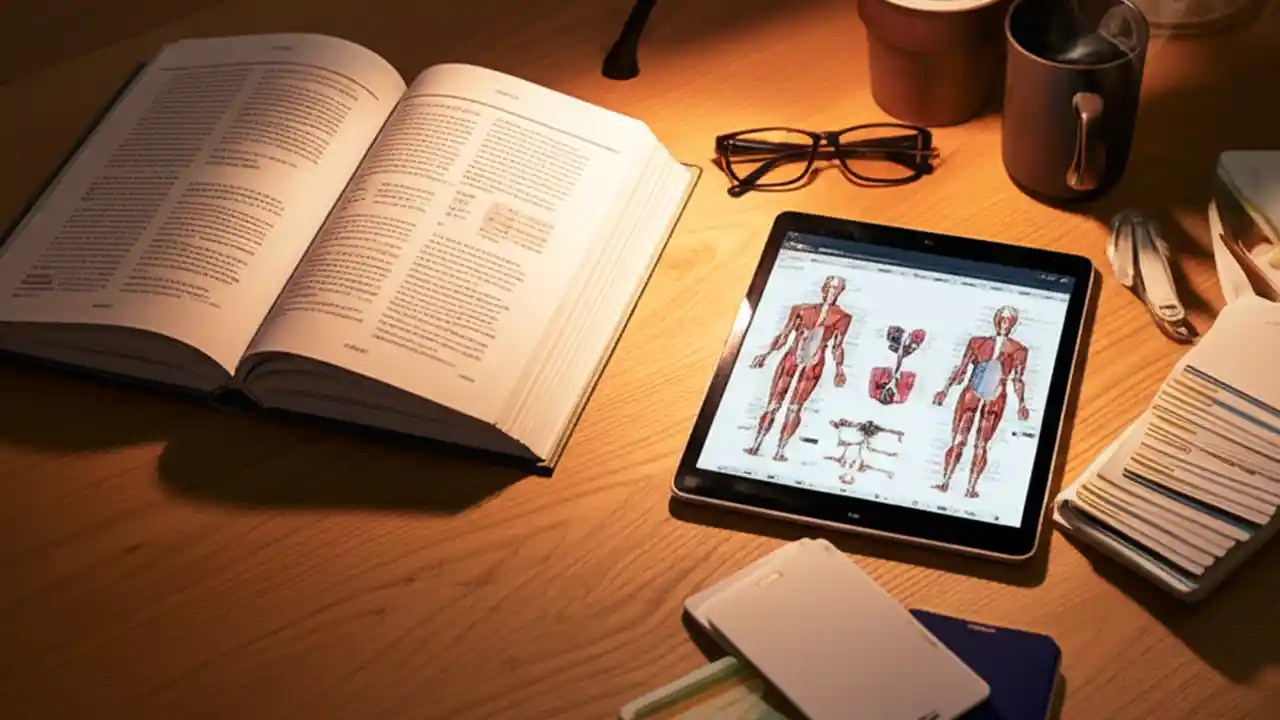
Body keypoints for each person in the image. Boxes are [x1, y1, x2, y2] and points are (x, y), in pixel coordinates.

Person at [745, 275, 851, 461]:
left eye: (837, 289)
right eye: (830, 287)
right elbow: (784, 334)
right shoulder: (801, 309)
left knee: (794, 408)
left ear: (841, 292)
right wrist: (766, 354)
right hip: (791, 357)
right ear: (823, 288)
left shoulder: (842, 317)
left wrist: (839, 369)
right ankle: (757, 444)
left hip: (815, 362)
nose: (832, 292)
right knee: (773, 404)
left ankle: (780, 450)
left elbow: (838, 345)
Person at [932, 305, 1030, 498]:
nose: (1004, 323)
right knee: (959, 439)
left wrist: (1022, 403)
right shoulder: (977, 342)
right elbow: (961, 369)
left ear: (1014, 323)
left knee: (981, 443)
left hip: (996, 395)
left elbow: (1018, 379)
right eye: (1002, 318)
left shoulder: (1019, 350)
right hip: (972, 390)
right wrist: (945, 389)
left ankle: (971, 487)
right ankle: (945, 481)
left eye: (1009, 320)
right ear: (996, 320)